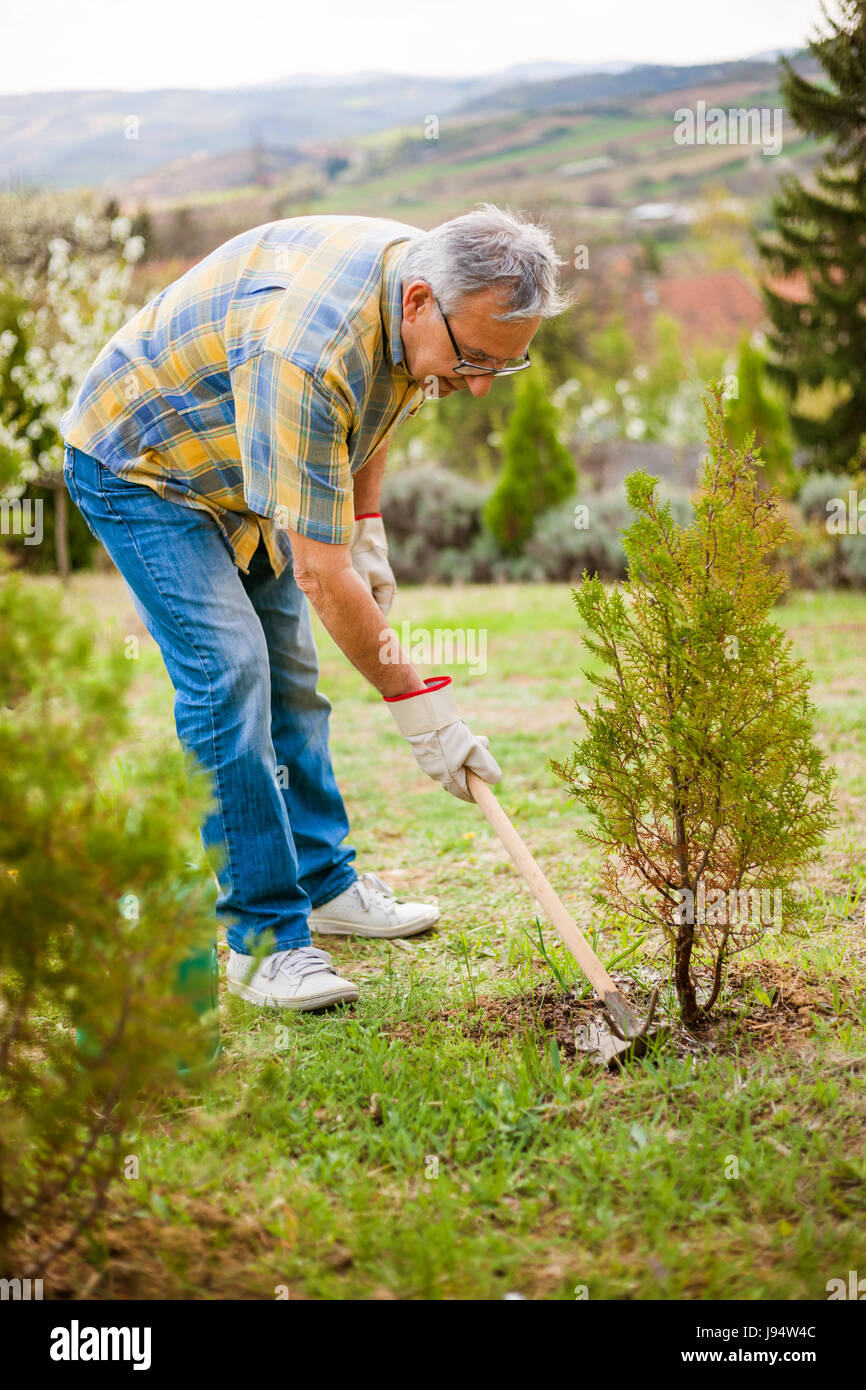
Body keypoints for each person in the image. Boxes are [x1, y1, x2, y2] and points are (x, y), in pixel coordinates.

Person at [61, 202, 567, 1011]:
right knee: (233, 672)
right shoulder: (309, 352)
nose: (476, 386)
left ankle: (326, 885)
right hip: (145, 463)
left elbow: (382, 406)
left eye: (501, 369)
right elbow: (323, 579)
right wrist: (424, 711)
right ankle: (264, 943)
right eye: (474, 360)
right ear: (417, 301)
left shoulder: (420, 291)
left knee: (292, 672)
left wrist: (366, 526)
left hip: (247, 463)